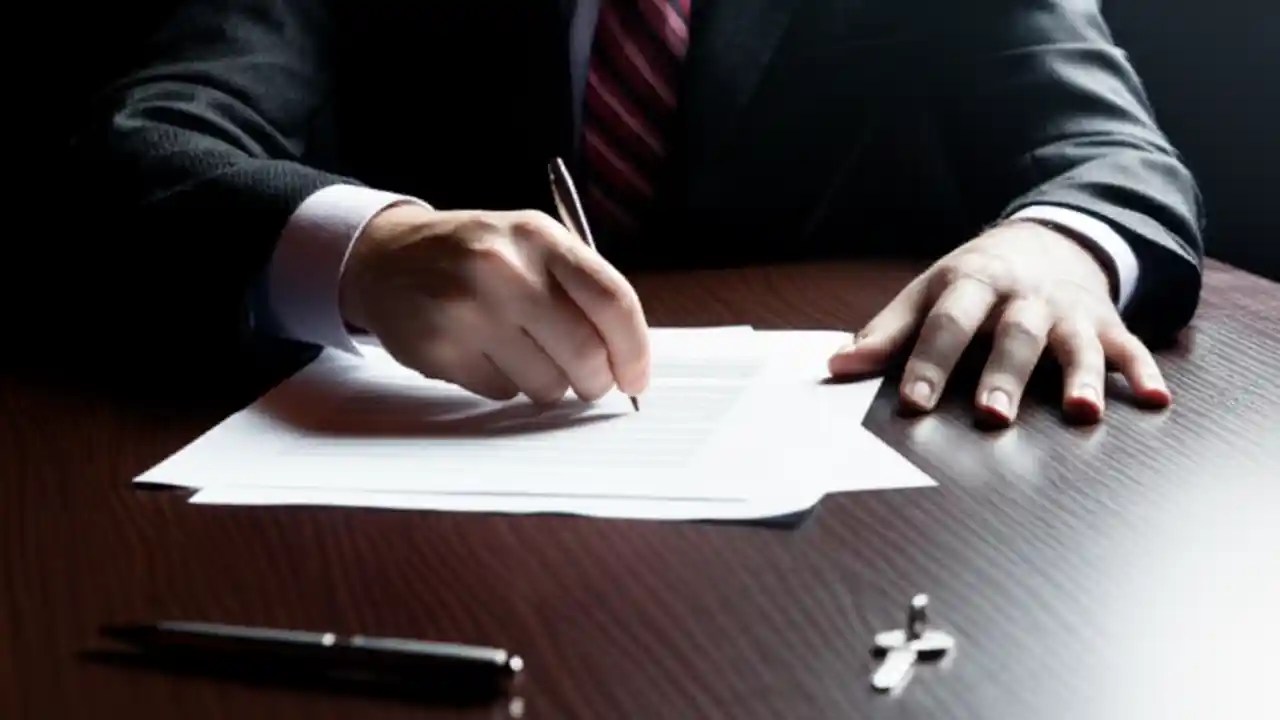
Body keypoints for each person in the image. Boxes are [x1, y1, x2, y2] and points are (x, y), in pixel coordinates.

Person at [67, 0, 1204, 426]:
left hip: (859, 497)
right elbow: (139, 148)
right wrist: (363, 246)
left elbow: (1106, 147)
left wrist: (1056, 243)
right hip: (435, 518)